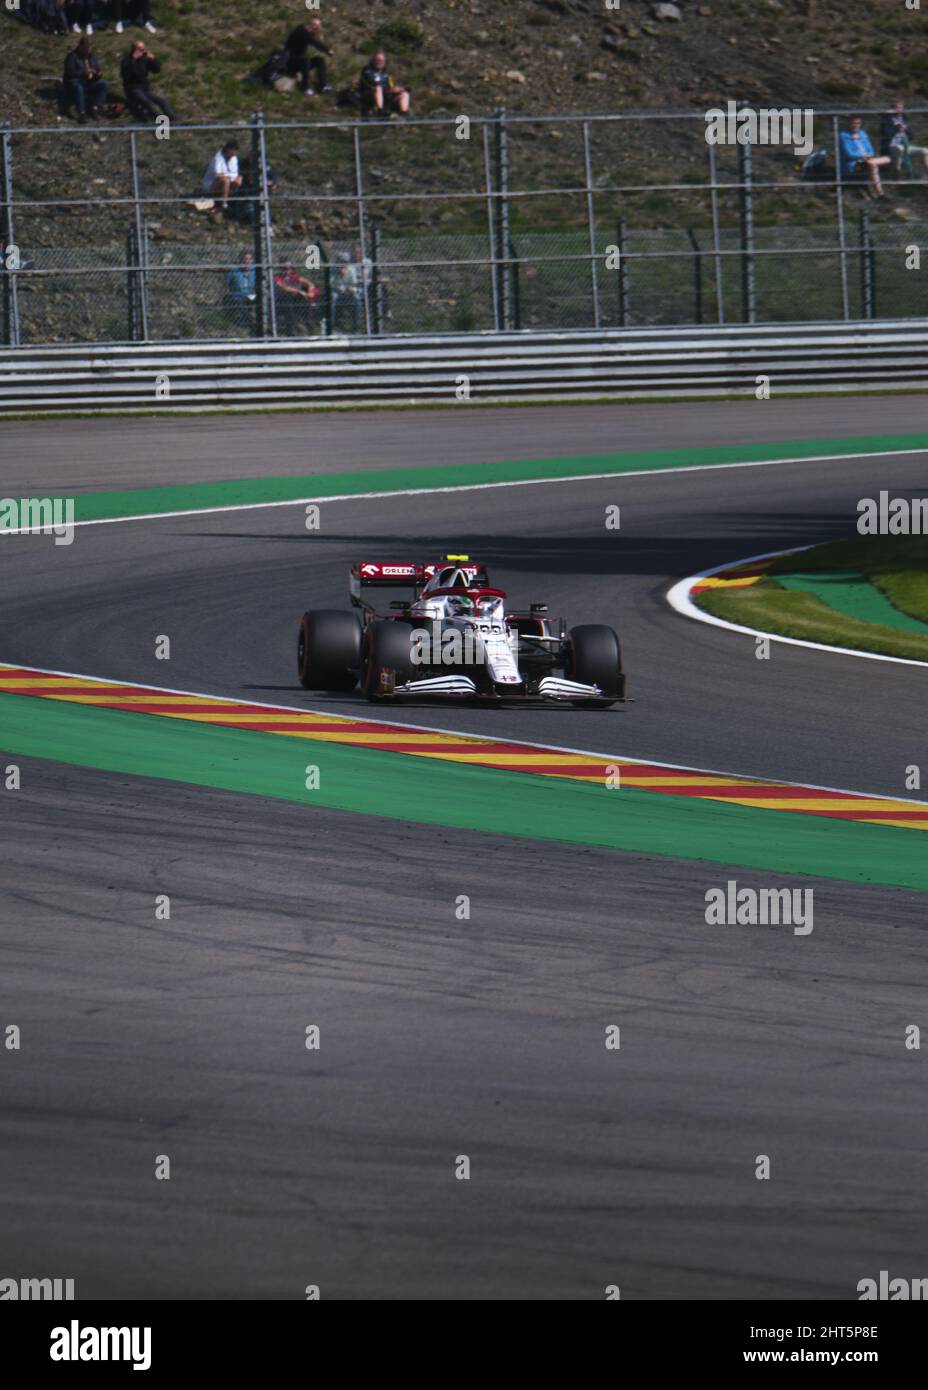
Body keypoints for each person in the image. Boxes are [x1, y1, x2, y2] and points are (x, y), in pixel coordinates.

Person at [121, 39, 174, 120]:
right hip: (132, 89)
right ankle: (159, 119)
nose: (143, 51)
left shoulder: (144, 59)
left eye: (143, 49)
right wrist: (133, 60)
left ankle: (172, 117)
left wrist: (153, 59)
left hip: (145, 89)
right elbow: (127, 75)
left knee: (162, 101)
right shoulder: (126, 61)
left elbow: (157, 70)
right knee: (147, 103)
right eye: (140, 49)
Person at [838, 116, 890, 199]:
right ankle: (880, 194)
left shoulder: (862, 134)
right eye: (853, 123)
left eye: (858, 123)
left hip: (867, 159)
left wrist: (868, 156)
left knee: (887, 159)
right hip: (853, 163)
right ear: (849, 124)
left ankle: (879, 189)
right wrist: (862, 156)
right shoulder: (843, 136)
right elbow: (849, 154)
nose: (855, 125)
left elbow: (870, 150)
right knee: (873, 165)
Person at [283, 18, 334, 97]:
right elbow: (314, 42)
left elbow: (312, 40)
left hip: (300, 62)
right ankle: (305, 87)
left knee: (319, 60)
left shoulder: (307, 33)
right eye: (317, 29)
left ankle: (322, 85)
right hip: (291, 62)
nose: (317, 31)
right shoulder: (301, 31)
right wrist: (328, 51)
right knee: (305, 60)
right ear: (313, 26)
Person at [63, 36, 108, 123]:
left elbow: (97, 68)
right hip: (76, 82)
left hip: (90, 82)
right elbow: (70, 72)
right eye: (85, 48)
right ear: (80, 47)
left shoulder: (92, 57)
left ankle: (95, 108)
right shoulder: (72, 56)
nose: (87, 50)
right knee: (79, 88)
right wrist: (84, 72)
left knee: (104, 84)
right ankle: (81, 113)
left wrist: (98, 74)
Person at [880, 99, 928, 179]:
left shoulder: (904, 118)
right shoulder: (886, 119)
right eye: (897, 108)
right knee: (900, 149)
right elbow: (885, 133)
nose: (899, 110)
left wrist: (905, 130)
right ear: (892, 109)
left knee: (925, 150)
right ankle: (897, 174)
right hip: (891, 146)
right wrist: (897, 129)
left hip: (905, 145)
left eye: (901, 108)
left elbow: (912, 136)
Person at [273, 260, 321, 334]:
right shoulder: (277, 277)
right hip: (281, 300)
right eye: (285, 269)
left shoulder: (292, 275)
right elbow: (283, 287)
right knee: (292, 299)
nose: (288, 271)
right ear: (281, 269)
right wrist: (300, 292)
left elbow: (307, 282)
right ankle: (292, 330)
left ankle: (309, 323)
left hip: (294, 299)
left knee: (306, 300)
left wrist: (310, 288)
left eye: (290, 268)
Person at [359, 52, 410, 117]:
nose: (380, 62)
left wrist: (398, 89)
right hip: (370, 94)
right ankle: (379, 111)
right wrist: (387, 89)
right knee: (378, 88)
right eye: (378, 60)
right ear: (373, 60)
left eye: (382, 60)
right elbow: (370, 83)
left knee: (405, 93)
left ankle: (403, 113)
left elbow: (392, 85)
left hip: (385, 94)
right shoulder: (367, 70)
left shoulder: (387, 73)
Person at [203, 139, 242, 214]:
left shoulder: (234, 159)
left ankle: (231, 199)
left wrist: (229, 176)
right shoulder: (218, 157)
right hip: (211, 183)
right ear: (228, 149)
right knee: (225, 180)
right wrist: (228, 176)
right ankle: (223, 204)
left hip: (228, 179)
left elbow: (235, 173)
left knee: (238, 181)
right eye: (233, 150)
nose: (234, 153)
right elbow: (218, 174)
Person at [331, 252, 361, 332]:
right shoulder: (333, 269)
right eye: (342, 261)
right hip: (337, 292)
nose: (343, 264)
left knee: (356, 298)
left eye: (345, 262)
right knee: (333, 297)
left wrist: (351, 289)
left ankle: (356, 325)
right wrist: (341, 275)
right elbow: (332, 284)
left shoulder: (351, 269)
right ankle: (332, 324)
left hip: (348, 293)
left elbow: (354, 283)